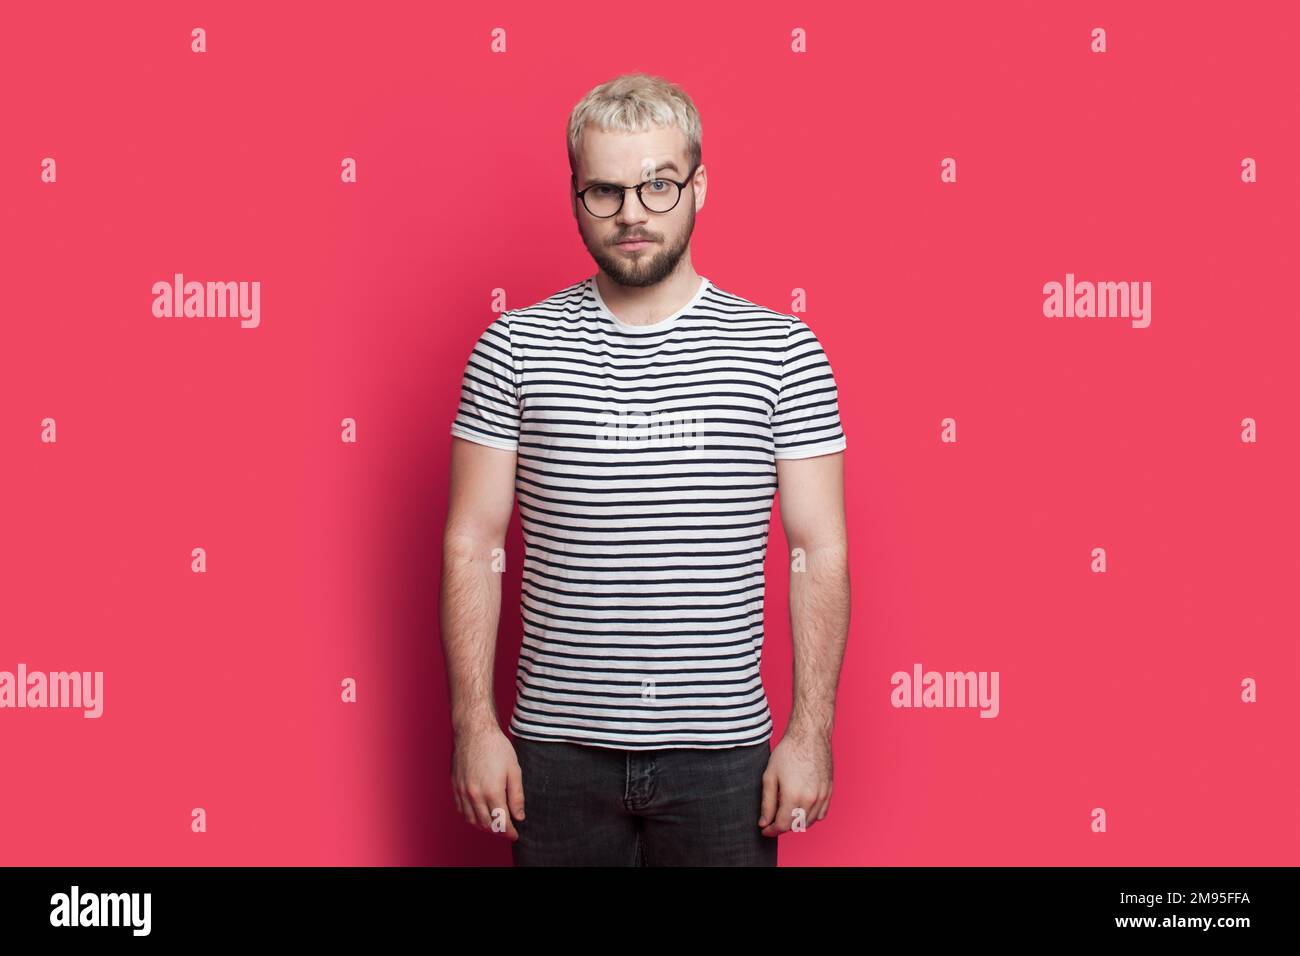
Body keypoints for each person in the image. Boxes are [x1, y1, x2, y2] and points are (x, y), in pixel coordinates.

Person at [440, 72, 850, 866]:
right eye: (606, 190)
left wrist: (810, 733)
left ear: (699, 186)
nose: (633, 213)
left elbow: (820, 550)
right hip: (553, 757)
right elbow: (471, 542)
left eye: (658, 185)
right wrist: (474, 726)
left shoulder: (783, 352)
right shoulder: (514, 348)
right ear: (575, 196)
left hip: (725, 761)